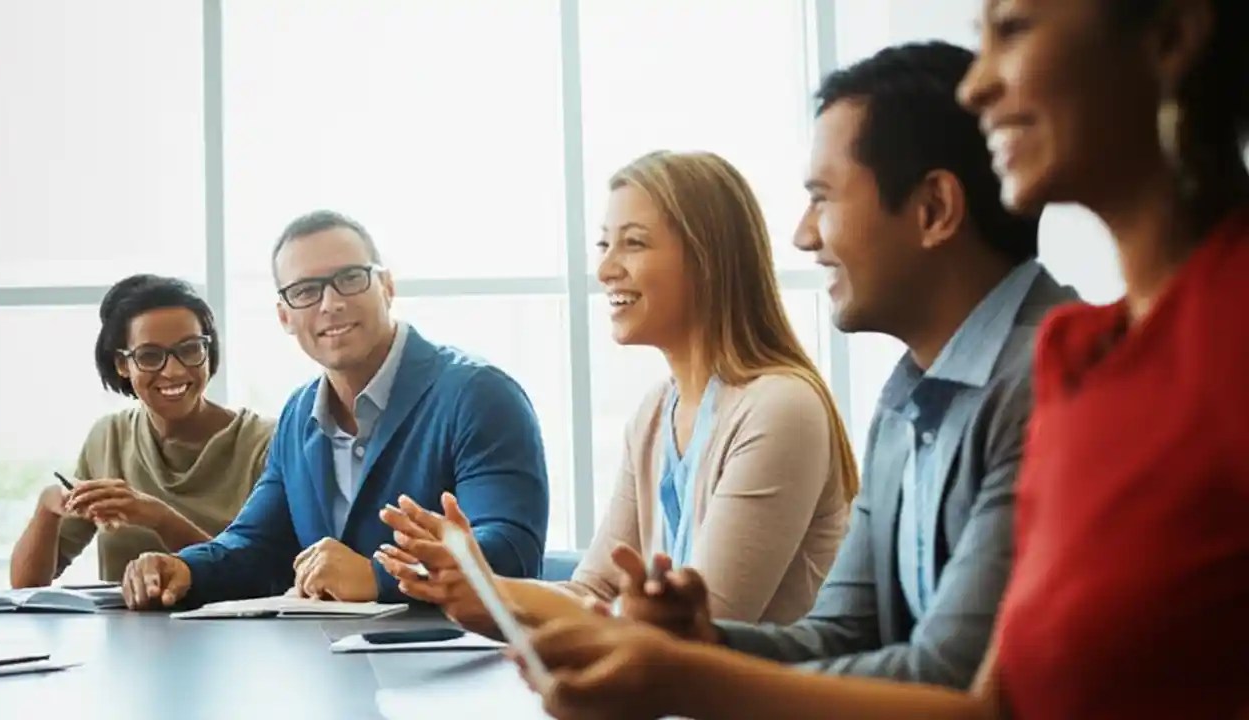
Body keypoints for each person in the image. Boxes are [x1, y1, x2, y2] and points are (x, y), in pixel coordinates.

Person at [522, 1, 1249, 718]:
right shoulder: (1029, 366)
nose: (978, 86)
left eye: (1015, 29)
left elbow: (957, 685)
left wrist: (688, 671)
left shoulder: (1072, 369)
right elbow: (890, 655)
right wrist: (699, 644)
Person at [601, 42, 1076, 688]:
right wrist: (699, 638)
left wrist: (688, 669)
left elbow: (949, 674)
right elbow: (841, 635)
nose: (802, 235)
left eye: (822, 198)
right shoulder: (909, 394)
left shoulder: (1055, 379)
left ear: (933, 210)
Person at [377, 150, 859, 630]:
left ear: (709, 259)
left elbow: (701, 627)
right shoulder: (654, 413)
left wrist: (491, 590)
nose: (606, 269)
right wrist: (471, 584)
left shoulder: (780, 408)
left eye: (633, 243)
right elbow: (592, 591)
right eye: (604, 245)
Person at [118, 210, 550, 609]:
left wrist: (377, 576)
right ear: (285, 316)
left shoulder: (480, 395)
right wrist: (186, 569)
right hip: (332, 670)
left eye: (350, 278)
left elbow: (512, 551)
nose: (330, 303)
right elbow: (256, 547)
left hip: (457, 675)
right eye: (305, 291)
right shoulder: (299, 413)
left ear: (387, 286)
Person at [11, 275, 275, 587]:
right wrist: (48, 509)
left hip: (234, 635)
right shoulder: (108, 438)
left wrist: (159, 519)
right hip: (124, 634)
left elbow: (263, 581)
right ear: (122, 364)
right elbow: (26, 587)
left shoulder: (263, 444)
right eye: (150, 356)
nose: (174, 370)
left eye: (190, 349)